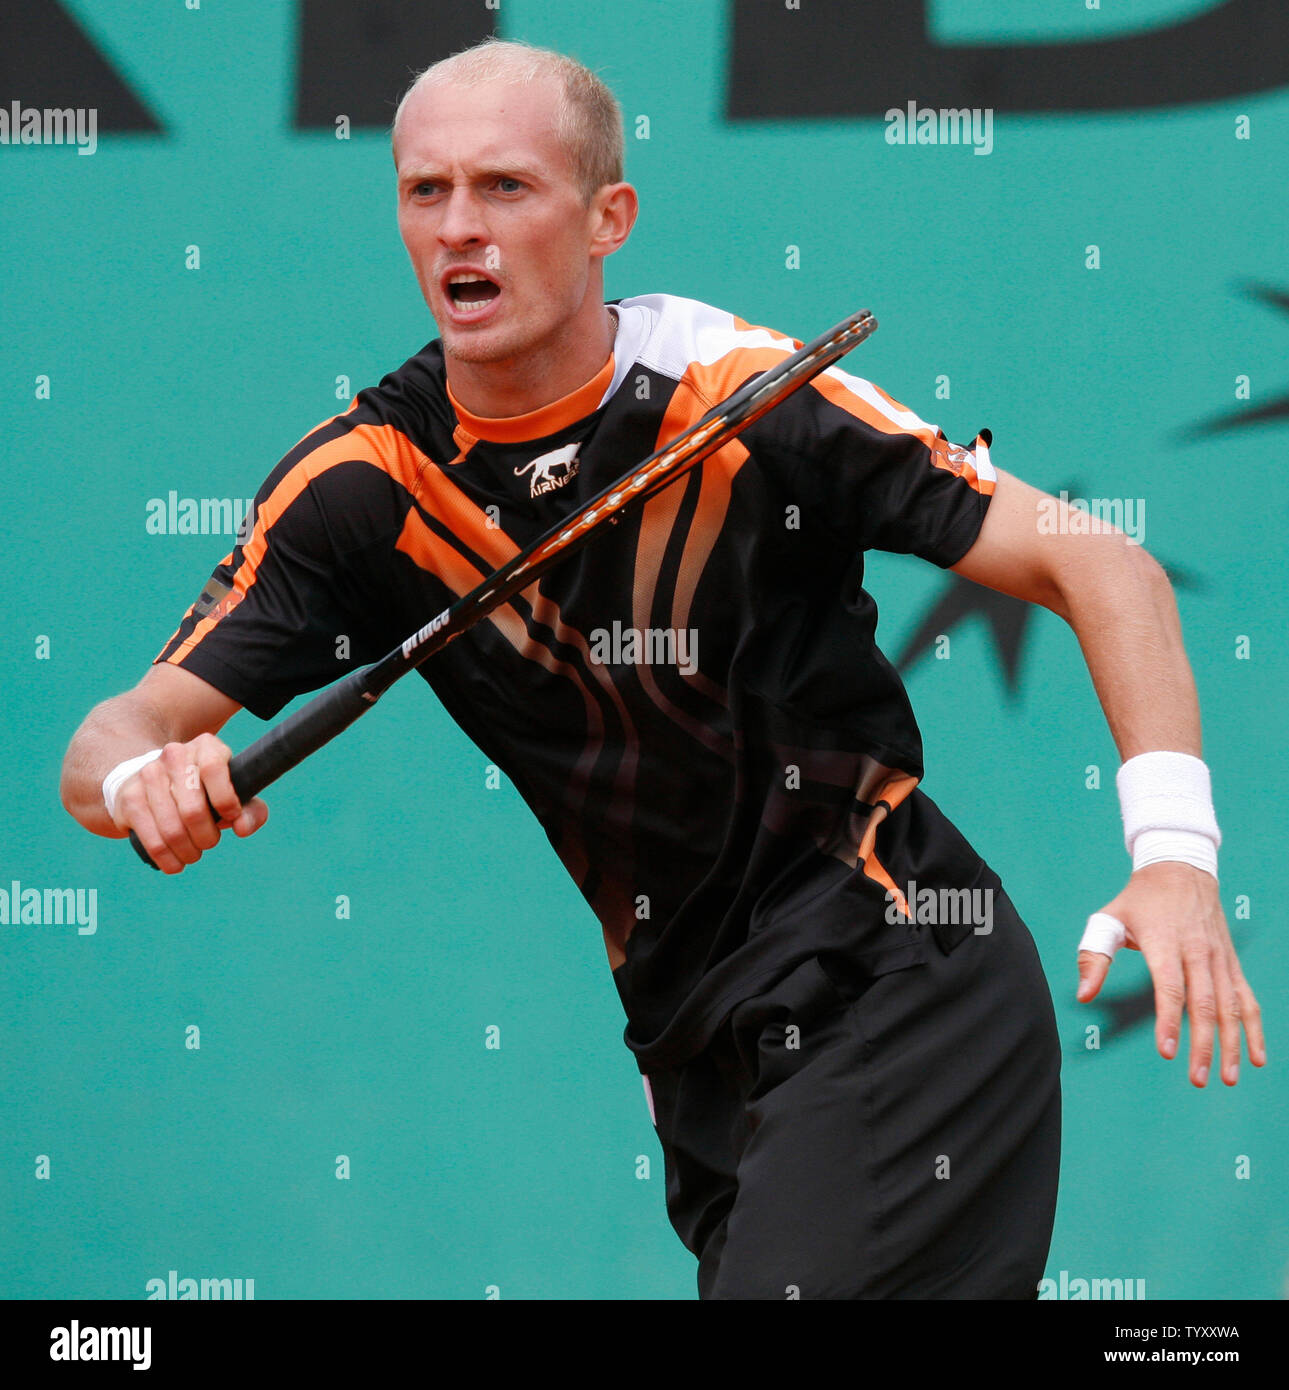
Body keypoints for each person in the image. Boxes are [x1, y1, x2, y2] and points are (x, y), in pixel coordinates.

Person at [61, 38, 1263, 1299]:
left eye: (506, 188)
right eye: (427, 192)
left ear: (605, 219)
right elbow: (112, 738)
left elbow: (1099, 565)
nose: (460, 229)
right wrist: (149, 773)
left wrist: (1173, 856)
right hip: (700, 1051)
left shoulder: (737, 397)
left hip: (894, 973)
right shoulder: (367, 488)